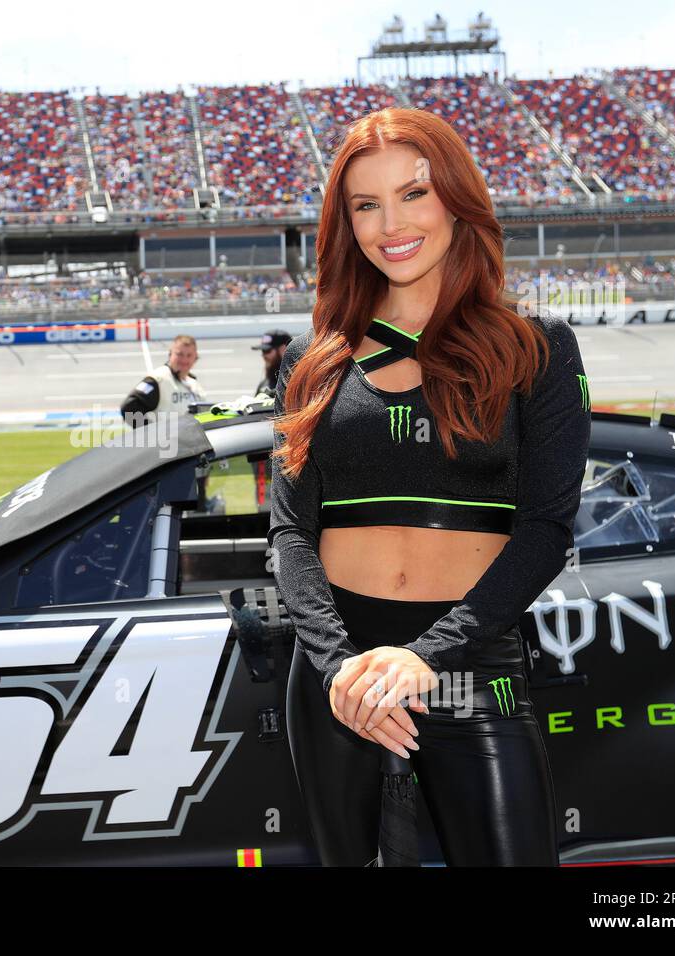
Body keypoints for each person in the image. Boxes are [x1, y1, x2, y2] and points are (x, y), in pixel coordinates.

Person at [269, 107, 590, 866]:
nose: (391, 224)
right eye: (366, 205)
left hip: (471, 669)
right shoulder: (314, 363)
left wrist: (428, 655)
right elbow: (288, 533)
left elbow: (547, 528)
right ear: (345, 223)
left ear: (455, 196)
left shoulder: (536, 346)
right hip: (339, 679)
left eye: (414, 194)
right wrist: (339, 665)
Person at [119, 334, 208, 428]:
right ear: (170, 354)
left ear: (195, 357)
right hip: (166, 442)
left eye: (189, 355)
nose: (184, 359)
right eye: (179, 354)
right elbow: (128, 408)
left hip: (190, 441)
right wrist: (152, 434)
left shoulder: (195, 385)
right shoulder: (159, 379)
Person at [253, 329, 292, 397]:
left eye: (267, 351)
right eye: (262, 351)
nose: (264, 355)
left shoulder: (297, 382)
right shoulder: (264, 385)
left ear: (283, 349)